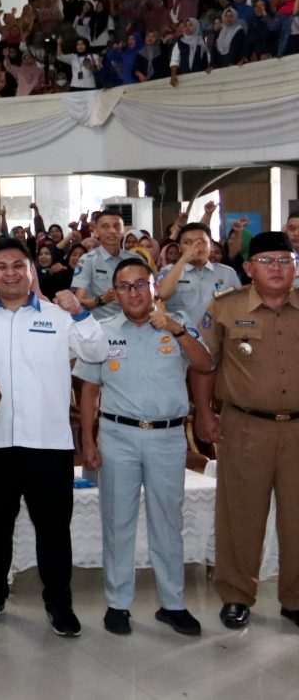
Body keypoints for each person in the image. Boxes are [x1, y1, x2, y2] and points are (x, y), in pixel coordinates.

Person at [0, 238, 106, 636]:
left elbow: (97, 353)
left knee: (54, 532)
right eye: (1, 266)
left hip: (49, 444)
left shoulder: (59, 317)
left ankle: (59, 605)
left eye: (18, 266)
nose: (10, 273)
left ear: (31, 271)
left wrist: (79, 313)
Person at [75, 258, 210, 637]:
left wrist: (178, 330)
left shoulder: (178, 323)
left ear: (155, 288)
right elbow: (89, 389)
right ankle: (118, 604)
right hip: (118, 436)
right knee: (118, 521)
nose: (133, 292)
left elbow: (204, 364)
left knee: (168, 521)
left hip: (167, 438)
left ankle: (173, 604)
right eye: (125, 286)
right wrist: (88, 439)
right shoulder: (103, 332)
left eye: (140, 285)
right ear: (115, 292)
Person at [192, 231, 299, 631]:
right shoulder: (225, 308)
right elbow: (204, 364)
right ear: (249, 267)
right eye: (267, 261)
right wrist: (204, 413)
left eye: (285, 261)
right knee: (240, 515)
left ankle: (295, 599)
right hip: (244, 426)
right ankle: (237, 596)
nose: (277, 268)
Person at [155, 222, 240, 323]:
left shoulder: (227, 273)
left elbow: (239, 305)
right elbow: (161, 294)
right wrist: (183, 259)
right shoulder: (169, 271)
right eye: (188, 242)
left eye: (201, 242)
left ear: (211, 245)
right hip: (180, 335)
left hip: (217, 336)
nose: (195, 247)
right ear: (179, 248)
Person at [74, 209, 127, 321]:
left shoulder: (135, 259)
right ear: (96, 231)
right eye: (106, 227)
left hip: (133, 324)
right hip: (102, 325)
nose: (112, 231)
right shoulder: (88, 260)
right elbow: (79, 301)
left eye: (117, 226)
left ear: (124, 230)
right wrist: (103, 299)